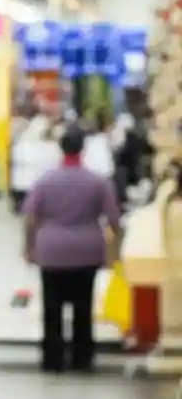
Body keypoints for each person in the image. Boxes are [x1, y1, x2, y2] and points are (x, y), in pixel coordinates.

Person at [23, 127, 122, 373]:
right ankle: (82, 358)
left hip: (51, 250)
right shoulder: (98, 182)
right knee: (83, 308)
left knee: (52, 308)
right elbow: (113, 219)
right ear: (83, 149)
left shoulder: (45, 181)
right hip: (87, 250)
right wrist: (114, 252)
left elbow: (30, 217)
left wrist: (29, 247)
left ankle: (53, 359)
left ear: (60, 148)